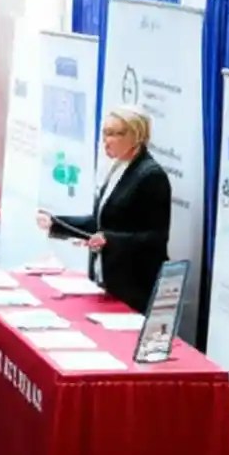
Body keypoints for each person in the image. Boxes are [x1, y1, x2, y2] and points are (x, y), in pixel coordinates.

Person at [37, 106, 171, 313]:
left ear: (136, 136)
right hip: (105, 278)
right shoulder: (117, 167)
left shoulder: (150, 176)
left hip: (133, 285)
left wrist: (110, 240)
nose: (105, 140)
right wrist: (57, 223)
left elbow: (156, 237)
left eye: (113, 134)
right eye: (104, 133)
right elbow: (102, 222)